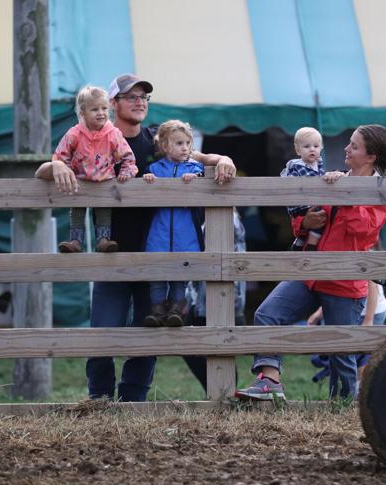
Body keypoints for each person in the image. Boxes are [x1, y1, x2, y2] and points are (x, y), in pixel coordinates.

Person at [35, 73, 237, 402]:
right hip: (111, 256)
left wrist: (223, 160)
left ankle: (133, 402)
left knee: (149, 334)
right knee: (102, 333)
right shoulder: (93, 137)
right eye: (131, 97)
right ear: (111, 105)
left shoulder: (158, 142)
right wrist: (53, 167)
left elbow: (199, 158)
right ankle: (99, 399)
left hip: (155, 258)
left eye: (144, 97)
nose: (139, 102)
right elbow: (46, 170)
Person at [235, 124, 386, 401]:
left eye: (354, 146)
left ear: (371, 156)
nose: (346, 149)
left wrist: (343, 194)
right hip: (311, 274)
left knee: (341, 354)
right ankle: (270, 382)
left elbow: (362, 230)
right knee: (267, 314)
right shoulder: (334, 178)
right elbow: (309, 221)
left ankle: (341, 408)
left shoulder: (377, 191)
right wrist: (304, 221)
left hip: (344, 283)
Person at [52, 85, 138, 253]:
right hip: (79, 182)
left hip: (104, 182)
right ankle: (76, 242)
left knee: (104, 212)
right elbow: (61, 155)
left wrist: (126, 171)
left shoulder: (113, 133)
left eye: (104, 108)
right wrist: (64, 169)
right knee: (77, 211)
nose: (101, 113)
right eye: (94, 109)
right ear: (82, 112)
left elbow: (128, 156)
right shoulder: (74, 134)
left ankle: (103, 240)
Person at [141, 120, 204, 327]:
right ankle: (158, 311)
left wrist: (195, 177)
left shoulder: (195, 168)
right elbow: (145, 184)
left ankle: (176, 310)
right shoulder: (155, 168)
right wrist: (147, 178)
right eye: (179, 143)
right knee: (157, 276)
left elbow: (203, 180)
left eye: (187, 143)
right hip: (159, 234)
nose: (185, 148)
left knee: (179, 276)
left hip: (185, 235)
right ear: (165, 146)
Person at [184, 208, 247, 393]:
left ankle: (224, 394)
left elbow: (227, 260)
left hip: (221, 295)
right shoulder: (205, 217)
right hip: (201, 297)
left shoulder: (227, 218)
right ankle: (220, 393)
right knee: (196, 346)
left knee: (216, 348)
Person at [281, 127, 326, 251]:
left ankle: (299, 243)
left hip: (312, 202)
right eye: (306, 146)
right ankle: (311, 245)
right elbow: (286, 180)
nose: (312, 149)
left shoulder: (319, 164)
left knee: (321, 215)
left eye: (316, 146)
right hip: (301, 205)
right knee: (321, 215)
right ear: (297, 150)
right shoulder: (296, 165)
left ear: (321, 148)